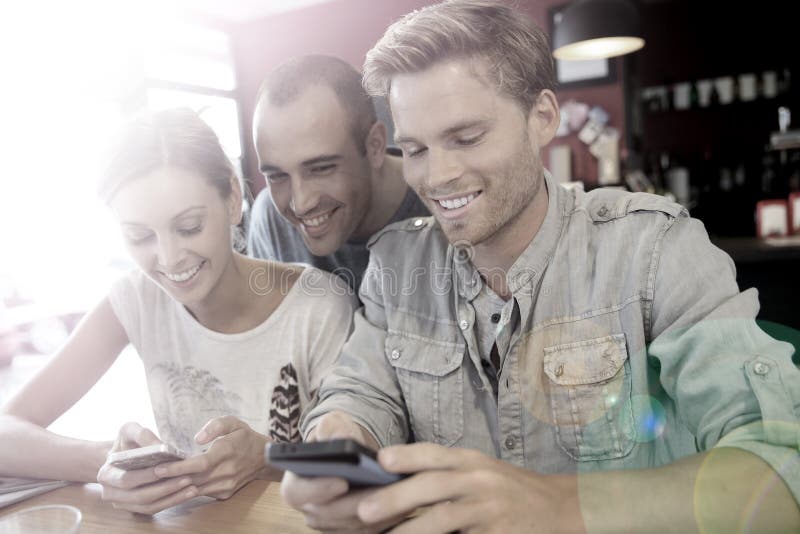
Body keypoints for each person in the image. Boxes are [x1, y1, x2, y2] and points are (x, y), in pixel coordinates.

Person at [280, 1, 800, 532]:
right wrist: (337, 444)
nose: (436, 176)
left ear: (542, 118)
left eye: (466, 138)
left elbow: (785, 463)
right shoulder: (395, 266)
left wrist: (558, 505)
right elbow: (361, 394)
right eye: (415, 149)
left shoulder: (653, 247)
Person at [0, 108, 356, 515]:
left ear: (234, 198)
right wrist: (109, 463)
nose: (168, 258)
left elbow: (360, 466)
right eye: (140, 236)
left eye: (188, 226)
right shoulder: (136, 298)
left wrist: (269, 455)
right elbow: (6, 433)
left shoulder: (317, 305)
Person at [248, 54, 429, 293]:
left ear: (374, 146)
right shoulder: (271, 220)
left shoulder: (443, 207)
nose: (301, 204)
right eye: (277, 176)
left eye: (321, 169)